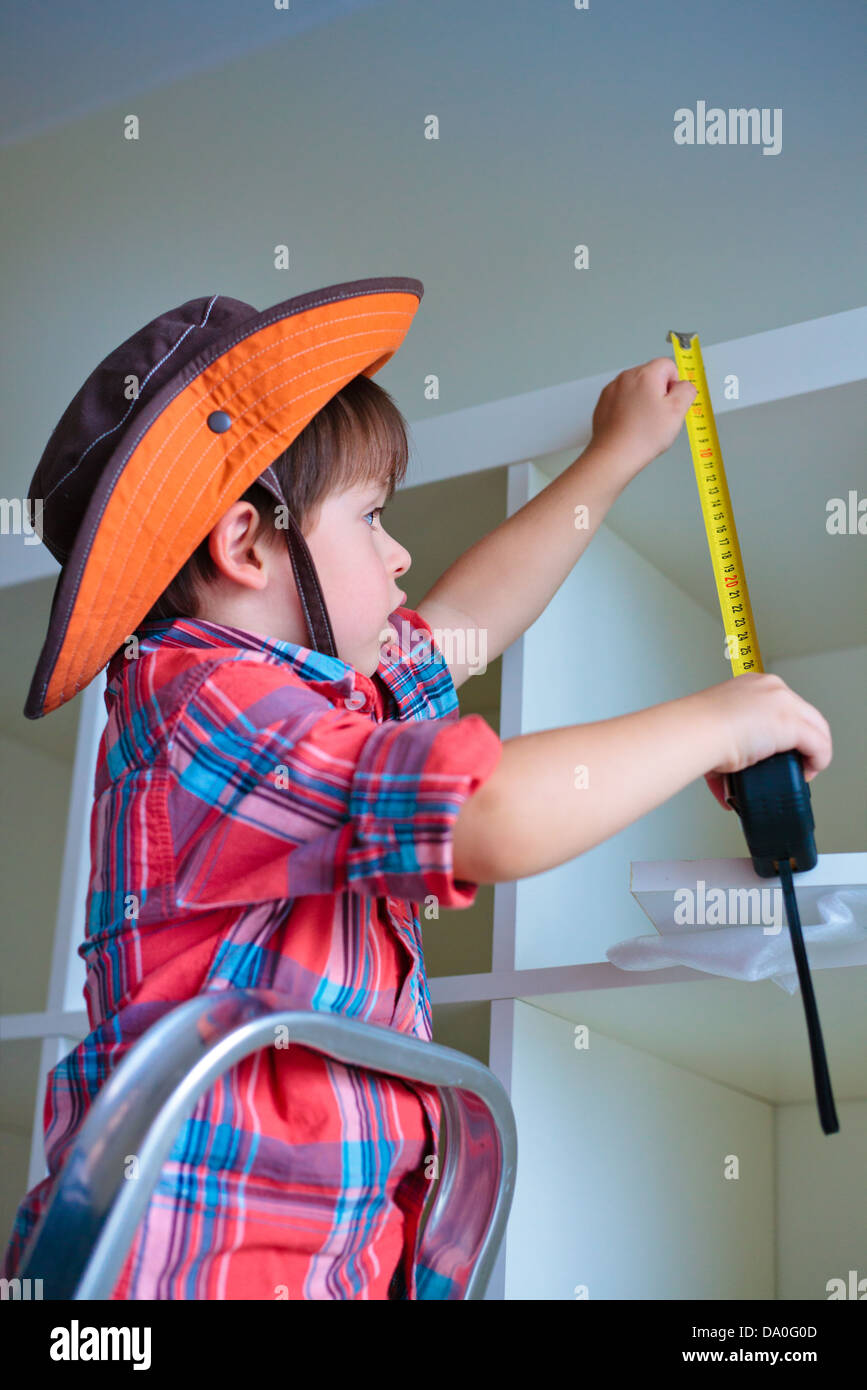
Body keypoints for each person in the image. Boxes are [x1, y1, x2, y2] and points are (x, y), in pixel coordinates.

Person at [2, 281, 832, 1300]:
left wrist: (611, 459)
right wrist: (718, 719)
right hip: (185, 1269)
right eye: (373, 517)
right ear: (246, 540)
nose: (399, 553)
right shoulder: (202, 708)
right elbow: (482, 815)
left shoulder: (321, 705)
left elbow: (463, 623)